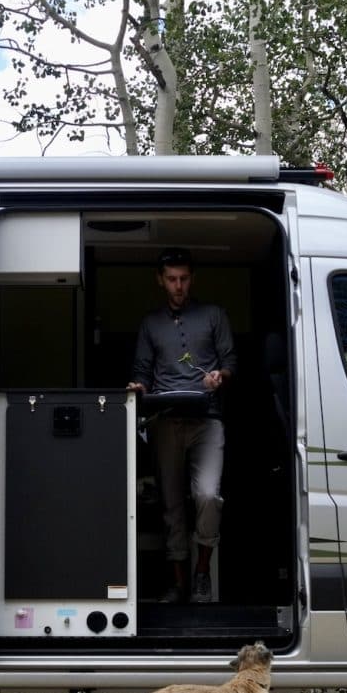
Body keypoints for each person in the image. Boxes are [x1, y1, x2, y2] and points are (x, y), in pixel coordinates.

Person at [127, 248, 236, 603]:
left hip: (208, 420)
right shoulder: (150, 323)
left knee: (207, 495)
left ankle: (202, 574)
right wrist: (139, 388)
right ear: (161, 280)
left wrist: (221, 375)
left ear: (192, 278)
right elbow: (142, 372)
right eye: (172, 279)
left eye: (184, 279)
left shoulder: (214, 315)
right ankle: (178, 585)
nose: (178, 286)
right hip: (165, 421)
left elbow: (230, 360)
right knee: (170, 504)